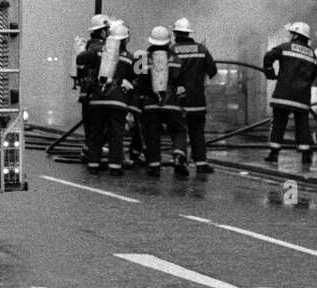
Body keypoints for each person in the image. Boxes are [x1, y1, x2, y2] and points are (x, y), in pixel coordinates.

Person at [134, 26, 189, 177]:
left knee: (152, 135)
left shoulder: (141, 58)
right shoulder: (177, 60)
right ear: (168, 41)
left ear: (151, 40)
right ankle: (178, 157)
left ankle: (154, 166)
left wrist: (137, 104)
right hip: (172, 104)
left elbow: (137, 82)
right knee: (178, 131)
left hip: (150, 105)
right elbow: (182, 84)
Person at [263, 21, 317, 166]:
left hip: (283, 95)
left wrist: (270, 73)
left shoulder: (286, 47)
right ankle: (306, 156)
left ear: (295, 35)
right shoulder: (313, 55)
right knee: (302, 125)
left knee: (279, 124)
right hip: (302, 98)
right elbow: (313, 75)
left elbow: (268, 56)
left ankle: (274, 154)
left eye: (291, 34)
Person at [85, 21, 136, 175]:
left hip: (97, 100)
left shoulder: (99, 51)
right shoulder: (131, 57)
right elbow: (137, 78)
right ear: (126, 40)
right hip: (117, 101)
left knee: (96, 133)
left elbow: (82, 60)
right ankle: (115, 168)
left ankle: (93, 165)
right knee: (116, 135)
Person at [171, 17, 218, 174]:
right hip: (197, 100)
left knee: (180, 131)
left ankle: (180, 161)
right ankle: (201, 164)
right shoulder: (202, 50)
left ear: (176, 33)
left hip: (177, 101)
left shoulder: (171, 50)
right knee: (197, 132)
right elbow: (213, 70)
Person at [74, 14, 110, 164]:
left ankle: (89, 150)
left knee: (91, 124)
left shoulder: (92, 46)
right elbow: (81, 58)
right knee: (98, 124)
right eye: (107, 30)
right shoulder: (99, 48)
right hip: (96, 93)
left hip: (88, 93)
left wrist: (82, 77)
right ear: (102, 32)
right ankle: (91, 151)